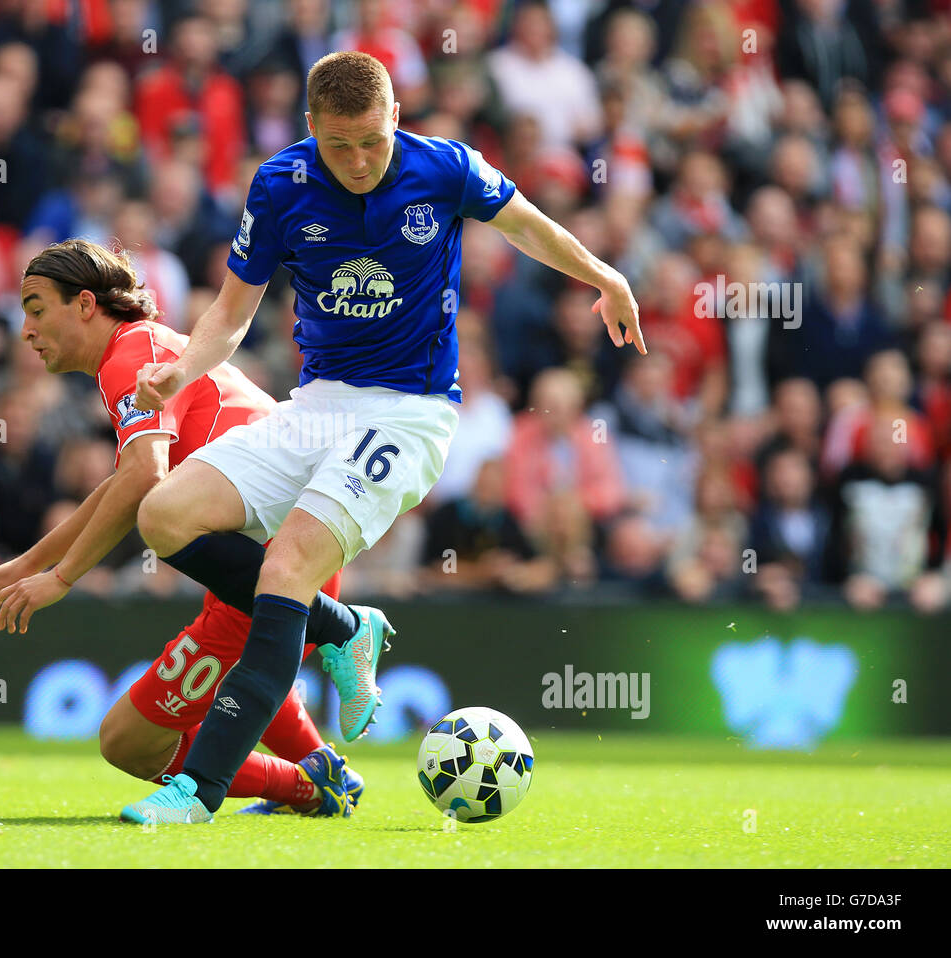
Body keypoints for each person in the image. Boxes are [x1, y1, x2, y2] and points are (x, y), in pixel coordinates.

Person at [124, 51, 645, 824]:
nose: (360, 161)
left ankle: (197, 792)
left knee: (289, 567)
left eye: (373, 140)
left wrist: (606, 277)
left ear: (395, 116)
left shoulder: (445, 169)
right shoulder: (280, 185)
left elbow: (530, 229)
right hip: (319, 402)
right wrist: (183, 371)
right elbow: (233, 313)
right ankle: (345, 628)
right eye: (340, 145)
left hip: (411, 411)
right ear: (312, 130)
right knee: (162, 516)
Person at [0, 239, 357, 818]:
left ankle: (305, 783)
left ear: (86, 305)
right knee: (246, 661)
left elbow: (145, 477)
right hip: (294, 545)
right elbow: (125, 480)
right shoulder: (141, 349)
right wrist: (29, 564)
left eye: (36, 308)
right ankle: (324, 773)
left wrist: (62, 579)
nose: (26, 329)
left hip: (273, 555)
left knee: (125, 741)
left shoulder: (134, 356)